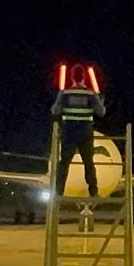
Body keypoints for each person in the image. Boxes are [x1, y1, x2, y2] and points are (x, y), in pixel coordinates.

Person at [50, 63, 107, 198]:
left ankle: (58, 192)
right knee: (88, 162)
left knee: (64, 163)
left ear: (71, 77)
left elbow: (55, 111)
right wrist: (100, 100)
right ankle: (93, 192)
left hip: (68, 131)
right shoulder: (90, 93)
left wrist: (59, 96)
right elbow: (101, 112)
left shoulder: (65, 93)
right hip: (85, 131)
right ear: (84, 77)